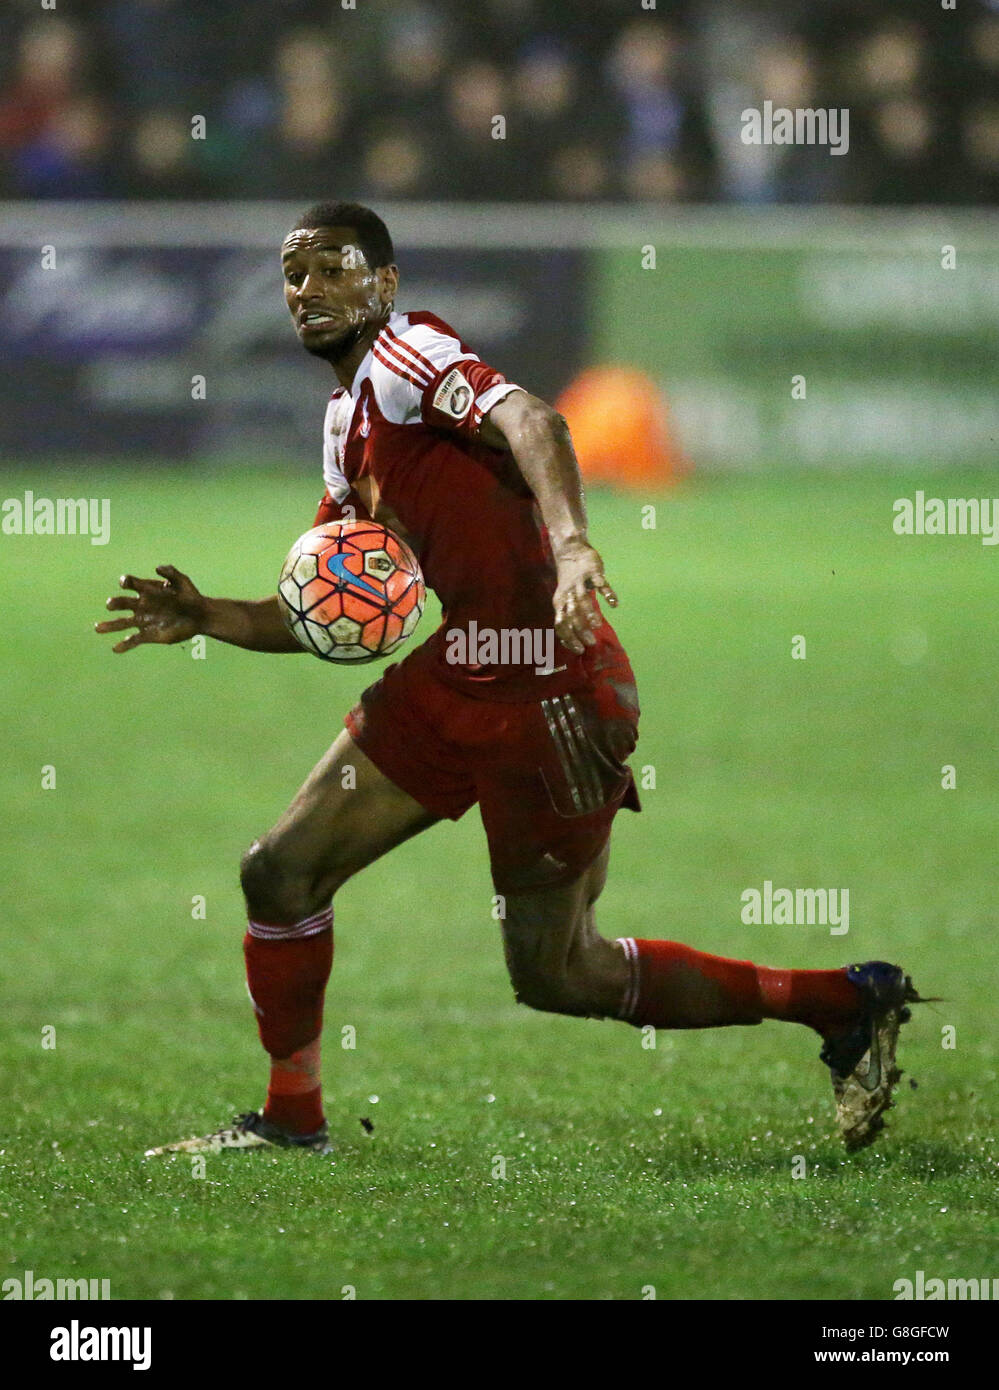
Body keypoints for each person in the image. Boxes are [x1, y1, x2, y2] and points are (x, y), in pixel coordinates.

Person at [96, 202, 924, 1158]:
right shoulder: (342, 423)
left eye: (335, 268)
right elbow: (331, 610)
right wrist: (210, 618)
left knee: (561, 974)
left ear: (386, 286)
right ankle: (292, 1121)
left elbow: (533, 416)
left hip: (556, 692)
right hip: (458, 675)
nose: (310, 290)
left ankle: (839, 1001)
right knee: (277, 873)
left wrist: (572, 547)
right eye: (294, 276)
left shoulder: (410, 356)